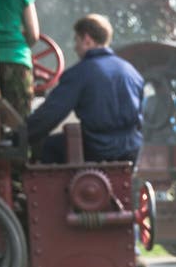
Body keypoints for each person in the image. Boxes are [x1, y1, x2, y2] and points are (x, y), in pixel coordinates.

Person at [27, 13, 144, 164]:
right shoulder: (131, 72)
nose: (75, 48)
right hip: (130, 152)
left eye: (76, 40)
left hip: (96, 150)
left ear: (87, 40)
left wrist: (20, 136)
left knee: (46, 147)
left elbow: (51, 115)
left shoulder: (80, 73)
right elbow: (140, 120)